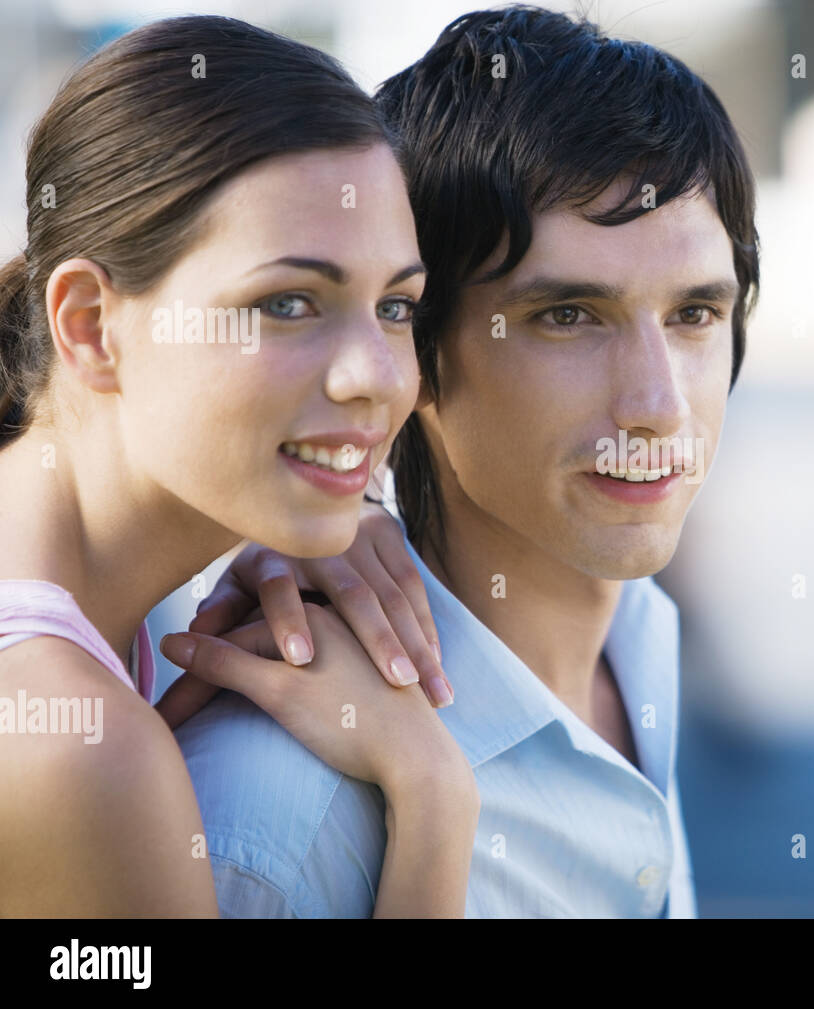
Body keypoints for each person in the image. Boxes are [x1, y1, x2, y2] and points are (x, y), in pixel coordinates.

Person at [171, 5, 758, 917]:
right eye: (567, 316)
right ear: (419, 360)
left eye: (694, 314)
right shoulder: (275, 819)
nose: (659, 406)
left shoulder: (636, 647)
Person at [0, 15, 477, 916]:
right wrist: (433, 798)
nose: (377, 379)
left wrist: (328, 506)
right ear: (90, 326)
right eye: (289, 302)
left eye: (398, 306)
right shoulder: (80, 748)